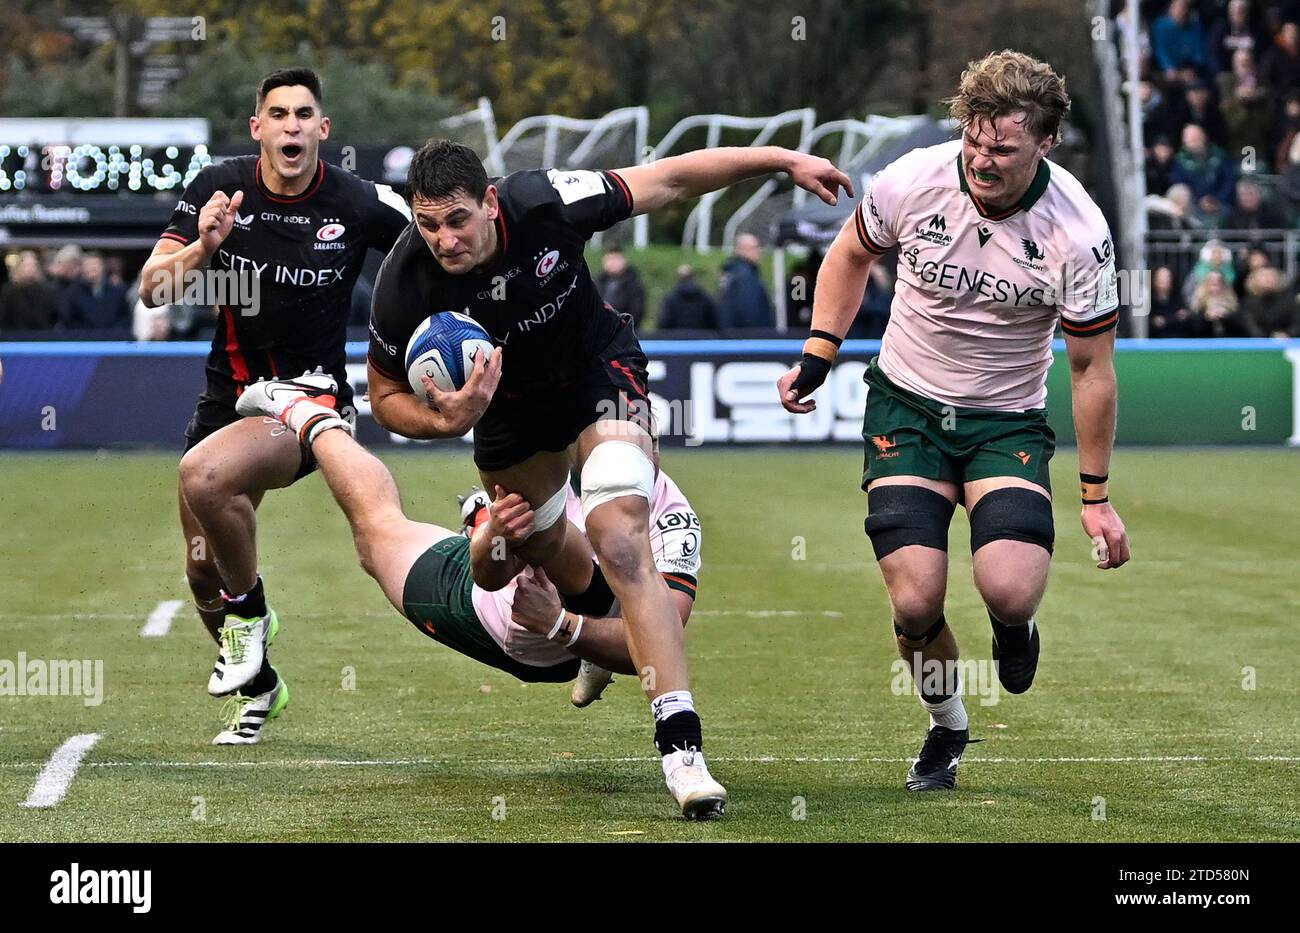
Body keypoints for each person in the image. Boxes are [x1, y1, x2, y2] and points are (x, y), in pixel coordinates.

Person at [364, 138, 850, 818]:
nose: (444, 239)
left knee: (619, 534)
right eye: (429, 225)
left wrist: (781, 161)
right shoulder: (406, 279)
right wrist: (447, 420)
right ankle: (596, 631)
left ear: (491, 203)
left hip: (597, 373)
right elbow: (384, 396)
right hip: (507, 416)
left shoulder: (547, 202)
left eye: (458, 220)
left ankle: (681, 748)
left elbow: (672, 179)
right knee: (532, 544)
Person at [778, 50, 1131, 791]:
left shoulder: (1079, 230)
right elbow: (848, 255)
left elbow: (1092, 368)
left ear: (1045, 142)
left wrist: (1096, 496)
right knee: (915, 600)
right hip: (906, 405)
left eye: (1002, 147)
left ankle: (1013, 630)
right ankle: (947, 727)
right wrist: (819, 352)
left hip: (1005, 420)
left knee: (1008, 586)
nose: (981, 158)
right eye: (973, 139)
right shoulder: (914, 178)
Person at [137, 67, 412, 744]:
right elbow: (152, 291)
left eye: (304, 114)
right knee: (203, 568)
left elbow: (436, 251)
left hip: (307, 404)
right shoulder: (217, 190)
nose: (292, 125)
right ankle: (261, 683)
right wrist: (204, 245)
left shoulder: (358, 202)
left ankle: (252, 617)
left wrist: (421, 341)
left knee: (205, 479)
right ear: (257, 128)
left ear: (323, 129)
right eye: (279, 114)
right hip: (226, 399)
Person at [234, 372, 704, 720]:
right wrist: (495, 535)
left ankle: (488, 524)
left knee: (579, 550)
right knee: (375, 535)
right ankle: (307, 410)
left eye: (639, 436)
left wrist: (565, 626)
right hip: (488, 609)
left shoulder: (672, 513)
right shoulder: (537, 463)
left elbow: (665, 637)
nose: (625, 443)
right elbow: (488, 574)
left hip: (563, 625)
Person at [59, 252, 128, 330]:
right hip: (83, 339)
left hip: (113, 338)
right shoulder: (73, 293)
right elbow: (69, 319)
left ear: (103, 267)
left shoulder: (118, 291)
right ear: (82, 269)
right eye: (88, 265)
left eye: (96, 264)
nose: (92, 268)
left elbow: (124, 316)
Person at [718, 233, 774, 328]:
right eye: (754, 248)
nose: (758, 252)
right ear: (741, 250)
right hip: (750, 337)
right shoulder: (745, 276)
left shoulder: (734, 272)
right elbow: (750, 312)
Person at [0, 250, 58, 331]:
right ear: (18, 268)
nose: (30, 269)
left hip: (42, 337)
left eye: (33, 265)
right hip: (14, 338)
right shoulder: (9, 291)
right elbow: (4, 318)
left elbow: (53, 317)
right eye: (26, 265)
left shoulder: (47, 290)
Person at [594, 248, 647, 330]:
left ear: (625, 260)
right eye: (609, 259)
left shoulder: (634, 285)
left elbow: (637, 312)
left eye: (616, 259)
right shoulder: (596, 283)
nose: (613, 263)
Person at [657, 265, 719, 331]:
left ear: (678, 277)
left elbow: (663, 322)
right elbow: (714, 321)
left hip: (677, 338)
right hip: (701, 337)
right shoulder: (705, 297)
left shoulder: (671, 298)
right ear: (693, 276)